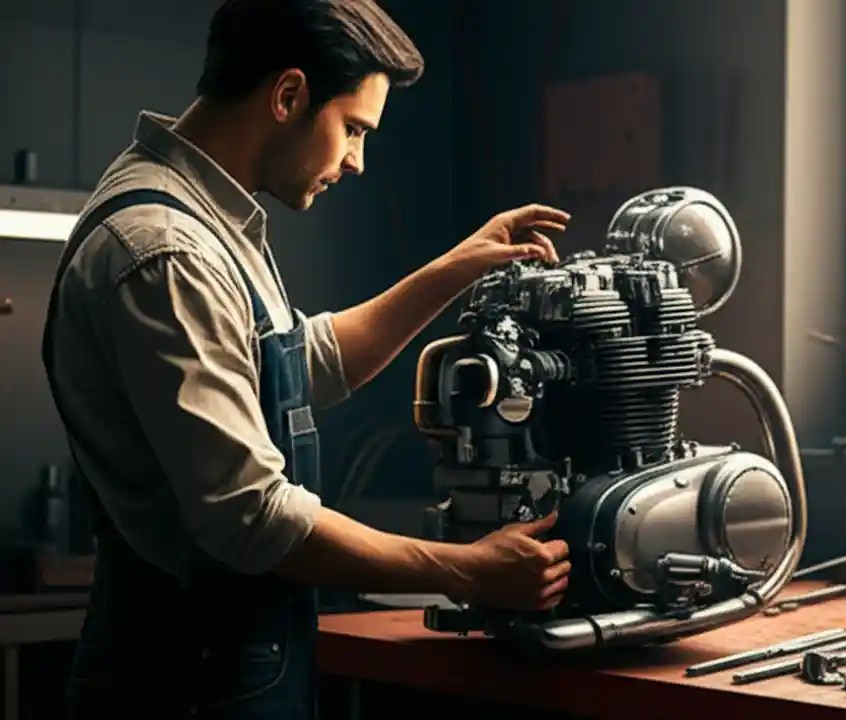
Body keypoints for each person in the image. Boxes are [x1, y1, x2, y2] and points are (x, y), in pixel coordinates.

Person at [40, 1, 572, 717]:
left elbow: (306, 363)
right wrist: (468, 570)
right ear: (289, 95)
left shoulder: (208, 219)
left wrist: (457, 268)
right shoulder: (168, 253)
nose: (356, 160)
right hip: (185, 678)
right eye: (353, 129)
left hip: (233, 658)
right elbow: (253, 516)